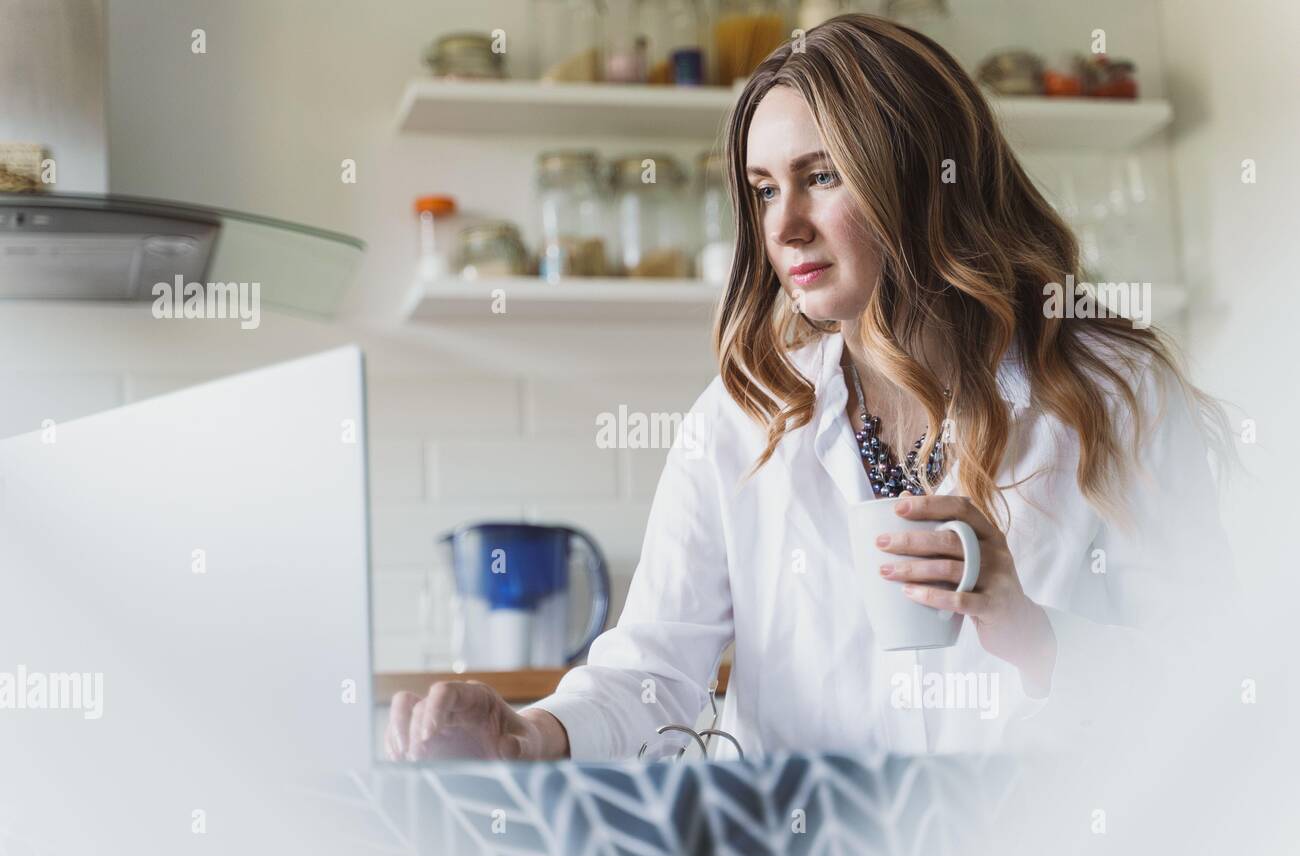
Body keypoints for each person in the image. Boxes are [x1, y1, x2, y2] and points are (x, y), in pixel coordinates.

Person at [385, 14, 1242, 764]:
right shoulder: (740, 418)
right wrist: (526, 735)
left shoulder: (1114, 396)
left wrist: (1033, 631)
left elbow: (1217, 685)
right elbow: (649, 675)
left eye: (821, 176)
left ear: (919, 174)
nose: (781, 226)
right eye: (764, 190)